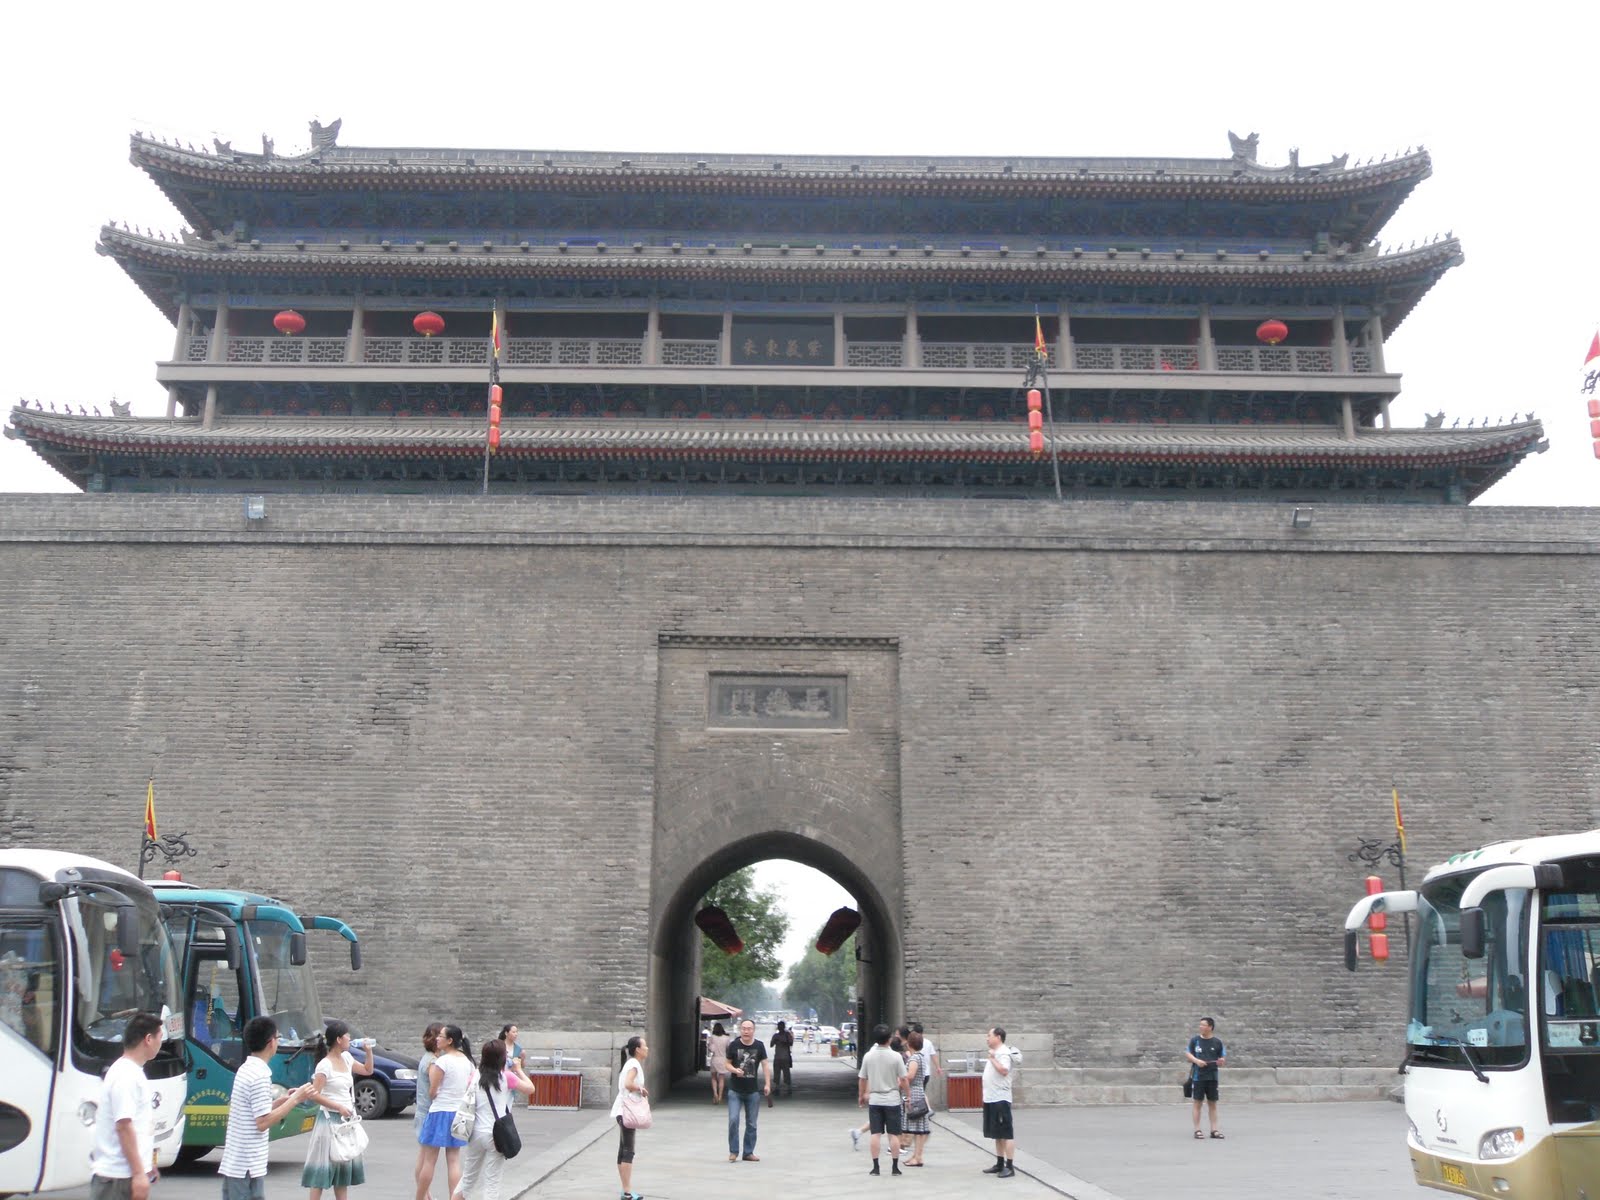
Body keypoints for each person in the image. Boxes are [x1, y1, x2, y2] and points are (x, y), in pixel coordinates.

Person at [220, 1017, 316, 1199]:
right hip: (246, 1164)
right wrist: (295, 1099)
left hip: (242, 1162)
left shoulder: (247, 1068)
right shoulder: (259, 1075)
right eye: (278, 1037)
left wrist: (281, 1101)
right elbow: (262, 1122)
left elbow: (253, 1112)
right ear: (271, 1042)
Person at [88, 1011, 163, 1200]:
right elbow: (124, 1125)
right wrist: (139, 1173)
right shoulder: (126, 1075)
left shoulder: (132, 1071)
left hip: (124, 1174)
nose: (161, 1043)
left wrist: (146, 1164)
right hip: (118, 1178)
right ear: (148, 1039)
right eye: (160, 1037)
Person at [452, 1038, 537, 1200]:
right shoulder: (506, 1077)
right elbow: (530, 1089)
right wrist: (519, 1069)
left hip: (474, 1133)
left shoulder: (474, 1076)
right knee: (492, 1182)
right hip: (495, 1135)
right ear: (502, 1058)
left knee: (468, 1178)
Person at [301, 1020, 375, 1200]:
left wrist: (369, 1052)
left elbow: (367, 1070)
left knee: (342, 1170)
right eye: (347, 1036)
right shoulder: (324, 1065)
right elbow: (314, 1094)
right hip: (328, 1120)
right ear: (339, 1039)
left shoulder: (347, 1058)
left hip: (345, 1121)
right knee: (321, 1169)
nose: (350, 1039)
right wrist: (338, 1106)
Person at [415, 1024, 473, 1200]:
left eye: (441, 1036)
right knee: (454, 1160)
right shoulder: (467, 1061)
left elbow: (433, 1091)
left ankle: (419, 1197)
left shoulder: (442, 1061)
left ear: (449, 1041)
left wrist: (436, 1094)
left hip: (439, 1111)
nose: (437, 1039)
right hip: (457, 1112)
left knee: (429, 1160)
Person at [857, 1024, 909, 1177]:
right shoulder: (896, 1056)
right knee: (894, 1135)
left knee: (876, 1134)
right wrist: (908, 1095)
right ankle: (894, 1167)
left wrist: (861, 1096)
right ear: (889, 1039)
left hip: (875, 1100)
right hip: (892, 1100)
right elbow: (904, 1079)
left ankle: (875, 1167)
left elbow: (862, 1078)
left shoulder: (868, 1056)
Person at [724, 1018, 770, 1162]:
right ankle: (734, 1151)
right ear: (740, 1029)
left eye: (749, 1028)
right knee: (733, 1119)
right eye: (743, 1028)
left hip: (752, 1091)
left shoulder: (759, 1046)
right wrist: (734, 1070)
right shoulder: (734, 1045)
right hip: (735, 1090)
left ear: (753, 1030)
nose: (746, 1031)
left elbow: (765, 1066)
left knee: (752, 1123)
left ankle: (748, 1152)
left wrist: (767, 1084)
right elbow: (727, 1064)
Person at [610, 1035, 649, 1200]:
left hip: (622, 1111)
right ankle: (627, 1192)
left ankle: (625, 1189)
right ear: (638, 1050)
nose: (647, 1049)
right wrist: (641, 1089)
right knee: (628, 1151)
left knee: (623, 1150)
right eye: (645, 1046)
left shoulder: (631, 1063)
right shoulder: (634, 1064)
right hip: (627, 1111)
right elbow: (628, 1084)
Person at [413, 1023, 444, 1200]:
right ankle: (424, 1195)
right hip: (428, 1114)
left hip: (422, 1112)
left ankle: (426, 1195)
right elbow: (434, 1089)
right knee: (427, 1160)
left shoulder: (427, 1057)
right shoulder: (432, 1061)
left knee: (423, 1157)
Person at [981, 1025, 1016, 1178]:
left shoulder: (1004, 1053)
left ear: (998, 1037)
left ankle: (1010, 1165)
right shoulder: (997, 1052)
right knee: (997, 1133)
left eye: (989, 1035)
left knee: (1006, 1133)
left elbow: (1004, 1071)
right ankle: (999, 1162)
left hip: (1000, 1098)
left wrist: (992, 1058)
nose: (987, 1038)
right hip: (991, 1098)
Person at [1185, 1017, 1226, 1139]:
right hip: (1198, 1077)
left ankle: (1214, 1130)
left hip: (1212, 1077)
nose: (1200, 1027)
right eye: (1200, 1025)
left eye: (1203, 1025)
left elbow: (1222, 1058)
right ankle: (1197, 1130)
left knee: (1212, 1104)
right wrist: (1197, 1061)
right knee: (1197, 1103)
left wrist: (1221, 1061)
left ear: (1210, 1027)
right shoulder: (1195, 1041)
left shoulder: (1217, 1042)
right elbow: (1187, 1054)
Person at [901, 1030, 931, 1166]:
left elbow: (910, 1076)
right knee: (918, 1128)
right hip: (919, 1091)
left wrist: (900, 1080)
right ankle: (916, 1155)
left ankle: (918, 1157)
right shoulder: (921, 1057)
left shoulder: (914, 1059)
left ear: (909, 1044)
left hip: (914, 1093)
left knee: (918, 1128)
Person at [768, 1020, 794, 1099]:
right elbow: (771, 1045)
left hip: (785, 1057)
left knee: (786, 1073)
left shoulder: (787, 1035)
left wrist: (783, 1041)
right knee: (777, 1074)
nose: (780, 1028)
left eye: (781, 1026)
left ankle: (788, 1087)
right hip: (778, 1057)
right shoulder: (775, 1035)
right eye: (779, 1026)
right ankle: (777, 1088)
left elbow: (791, 1043)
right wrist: (775, 1040)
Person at [706, 1021, 730, 1104]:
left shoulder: (712, 1037)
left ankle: (715, 1093)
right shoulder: (726, 1038)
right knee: (721, 1078)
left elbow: (710, 1048)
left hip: (715, 1059)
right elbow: (728, 1049)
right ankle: (720, 1096)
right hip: (723, 1059)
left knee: (713, 1077)